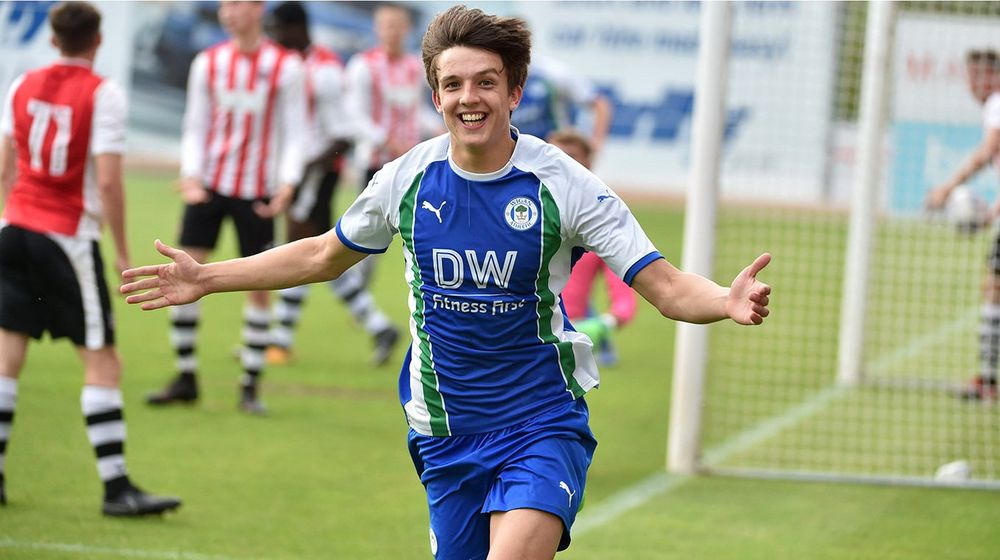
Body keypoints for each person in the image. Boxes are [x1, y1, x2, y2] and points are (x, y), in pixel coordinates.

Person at [121, 6, 771, 558]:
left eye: (486, 82)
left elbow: (663, 286)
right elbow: (323, 254)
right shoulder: (405, 179)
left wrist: (723, 299)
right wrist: (207, 277)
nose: (469, 98)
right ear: (435, 95)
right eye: (453, 84)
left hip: (540, 423)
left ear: (514, 92)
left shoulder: (567, 188)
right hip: (444, 429)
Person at [0, 1, 181, 516]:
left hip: (13, 228)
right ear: (97, 41)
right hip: (65, 237)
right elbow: (106, 180)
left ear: (53, 39)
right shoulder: (103, 94)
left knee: (7, 356)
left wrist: (12, 213)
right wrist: (121, 248)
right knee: (102, 359)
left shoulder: (20, 84)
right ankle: (116, 487)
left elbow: (6, 165)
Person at [144, 0, 307, 413]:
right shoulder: (209, 62)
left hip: (257, 192)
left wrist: (287, 183)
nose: (228, 11)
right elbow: (195, 125)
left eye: (237, 3)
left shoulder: (284, 66)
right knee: (181, 271)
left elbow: (294, 131)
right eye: (224, 5)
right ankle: (185, 377)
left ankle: (250, 385)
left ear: (258, 8)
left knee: (258, 285)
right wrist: (192, 175)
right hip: (210, 188)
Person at [264, 1, 400, 367]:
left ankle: (280, 338)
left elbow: (342, 133)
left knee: (303, 250)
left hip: (317, 172)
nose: (273, 38)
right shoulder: (295, 65)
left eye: (277, 30)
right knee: (311, 252)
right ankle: (374, 325)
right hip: (302, 171)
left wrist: (309, 169)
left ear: (296, 28)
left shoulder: (323, 70)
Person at [344, 2, 440, 288]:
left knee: (423, 228)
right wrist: (384, 140)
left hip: (412, 162)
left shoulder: (414, 66)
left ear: (408, 28)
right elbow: (355, 114)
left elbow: (416, 111)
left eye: (397, 26)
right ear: (377, 28)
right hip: (376, 161)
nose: (392, 32)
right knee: (367, 233)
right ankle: (357, 289)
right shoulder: (363, 65)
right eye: (387, 25)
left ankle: (432, 282)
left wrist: (437, 128)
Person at [925, 48, 1000, 401]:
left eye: (974, 78)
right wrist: (992, 213)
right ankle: (987, 380)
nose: (970, 86)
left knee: (993, 290)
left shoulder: (996, 102)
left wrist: (947, 187)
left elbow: (987, 153)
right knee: (994, 288)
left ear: (989, 76)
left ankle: (986, 382)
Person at [548, 129, 636, 366]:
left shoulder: (604, 225)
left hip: (569, 341)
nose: (561, 164)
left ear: (587, 163)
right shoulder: (518, 212)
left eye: (571, 157)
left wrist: (599, 326)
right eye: (554, 155)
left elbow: (624, 302)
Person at [511, 53, 613, 157]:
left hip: (554, 154)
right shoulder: (502, 75)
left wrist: (596, 143)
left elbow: (599, 103)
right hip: (516, 155)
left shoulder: (552, 73)